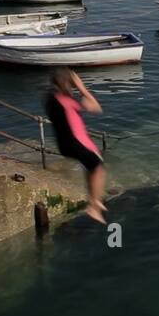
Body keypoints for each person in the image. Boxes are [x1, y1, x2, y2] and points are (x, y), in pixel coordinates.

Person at [45, 68, 107, 223]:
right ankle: (94, 207)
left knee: (90, 166)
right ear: (67, 83)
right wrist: (82, 88)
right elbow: (96, 107)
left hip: (63, 145)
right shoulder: (69, 101)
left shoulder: (50, 98)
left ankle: (94, 200)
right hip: (76, 143)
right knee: (99, 168)